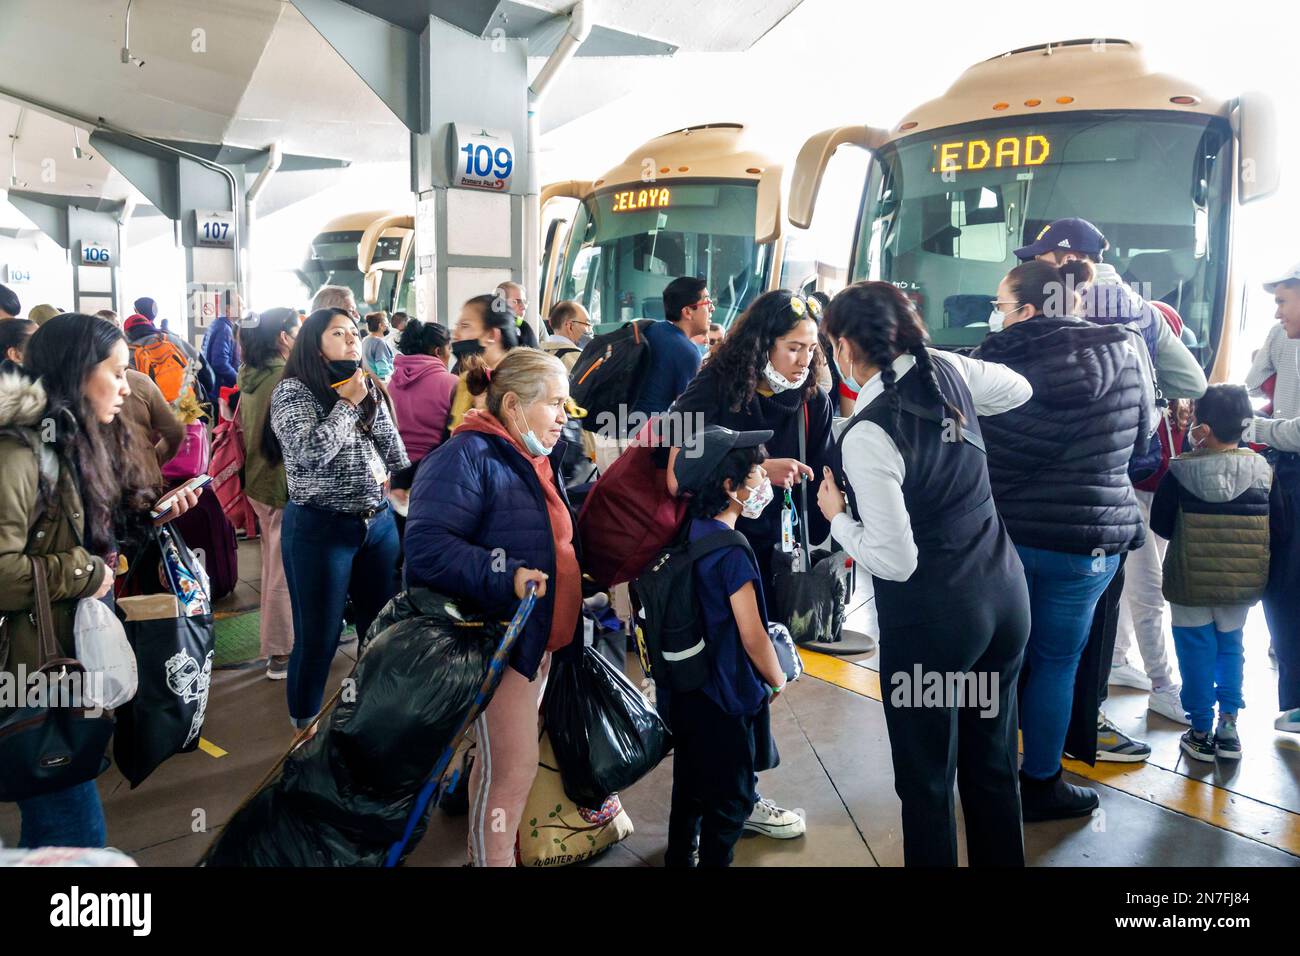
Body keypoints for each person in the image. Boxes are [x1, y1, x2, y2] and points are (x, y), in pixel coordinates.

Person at [817, 281, 1032, 866]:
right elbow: (1020, 388)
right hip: (1005, 600)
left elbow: (896, 559)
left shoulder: (869, 432)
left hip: (937, 622)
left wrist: (837, 519)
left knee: (927, 781)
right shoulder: (949, 372)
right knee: (990, 764)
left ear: (843, 346)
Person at [0, 313, 196, 848]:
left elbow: (82, 541)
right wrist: (88, 574)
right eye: (117, 371)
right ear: (76, 372)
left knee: (56, 817)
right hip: (33, 664)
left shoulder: (75, 441)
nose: (128, 385)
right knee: (72, 827)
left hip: (62, 652)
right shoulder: (20, 452)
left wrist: (153, 519)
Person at [1015, 217, 1207, 761]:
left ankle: (1029, 737)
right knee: (1090, 624)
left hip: (1036, 485)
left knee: (1032, 625)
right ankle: (1083, 727)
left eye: (1041, 256)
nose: (1033, 265)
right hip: (1109, 484)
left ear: (1065, 257)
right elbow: (1191, 383)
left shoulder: (1036, 307)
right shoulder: (1140, 311)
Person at [973, 259, 1149, 819]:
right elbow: (1144, 444)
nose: (995, 316)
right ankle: (1041, 785)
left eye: (1001, 306)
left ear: (1025, 309)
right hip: (1087, 543)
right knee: (1056, 663)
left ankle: (983, 779)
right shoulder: (1125, 353)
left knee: (993, 661)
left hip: (1003, 538)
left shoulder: (986, 363)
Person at [404, 348, 582, 866]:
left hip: (533, 640)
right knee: (512, 770)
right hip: (497, 640)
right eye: (555, 405)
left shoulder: (528, 456)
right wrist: (508, 575)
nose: (564, 419)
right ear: (513, 404)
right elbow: (429, 548)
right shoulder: (466, 457)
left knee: (500, 763)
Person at [265, 308, 409, 730]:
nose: (351, 340)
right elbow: (311, 451)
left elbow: (392, 448)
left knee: (379, 632)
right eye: (338, 333)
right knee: (319, 639)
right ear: (314, 342)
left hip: (377, 525)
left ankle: (370, 720)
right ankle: (304, 734)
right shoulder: (293, 392)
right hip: (320, 530)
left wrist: (413, 481)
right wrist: (348, 403)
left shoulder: (365, 384)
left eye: (353, 332)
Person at [667, 426, 789, 867]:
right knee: (732, 800)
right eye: (755, 474)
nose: (762, 483)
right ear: (728, 486)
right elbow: (753, 634)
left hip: (688, 688)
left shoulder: (691, 533)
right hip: (726, 694)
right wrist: (776, 678)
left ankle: (679, 857)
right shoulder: (732, 553)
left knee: (691, 784)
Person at [668, 290, 833, 589]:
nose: (804, 361)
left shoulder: (814, 401)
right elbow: (677, 477)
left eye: (811, 349)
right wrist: (761, 470)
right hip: (716, 548)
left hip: (782, 554)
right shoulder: (712, 387)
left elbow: (824, 483)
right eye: (794, 348)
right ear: (762, 344)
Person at [1150, 385, 1271, 762]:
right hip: (1241, 583)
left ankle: (1200, 731)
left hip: (1190, 582)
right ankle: (1229, 728)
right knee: (1231, 649)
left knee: (1195, 653)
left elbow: (1161, 525)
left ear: (1201, 427)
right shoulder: (1263, 471)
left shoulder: (1180, 470)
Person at [238, 307, 301, 681]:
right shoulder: (282, 376)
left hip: (259, 480)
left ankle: (277, 643)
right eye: (297, 329)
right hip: (280, 482)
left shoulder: (251, 375)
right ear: (283, 337)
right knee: (281, 571)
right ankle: (279, 652)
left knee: (271, 564)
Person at [387, 318, 457, 533]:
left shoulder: (392, 382)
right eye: (449, 349)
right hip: (435, 477)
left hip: (396, 478)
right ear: (438, 351)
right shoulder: (452, 383)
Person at [633, 277, 712, 422]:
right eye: (707, 302)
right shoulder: (687, 352)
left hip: (613, 428)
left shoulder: (648, 328)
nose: (712, 308)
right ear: (688, 312)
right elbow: (688, 412)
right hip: (645, 437)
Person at [447, 293, 519, 432]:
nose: (455, 334)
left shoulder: (521, 383)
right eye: (457, 326)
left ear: (492, 335)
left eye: (465, 326)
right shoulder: (467, 381)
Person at [1246, 263, 1300, 421]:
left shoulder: (1279, 332)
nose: (1277, 314)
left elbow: (1253, 387)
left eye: (1282, 302)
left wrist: (1251, 427)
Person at [200, 298, 242, 391]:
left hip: (212, 387)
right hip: (219, 390)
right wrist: (239, 380)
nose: (243, 307)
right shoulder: (225, 329)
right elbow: (219, 363)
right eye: (240, 305)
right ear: (228, 309)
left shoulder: (216, 324)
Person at [542, 300, 594, 369]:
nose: (591, 330)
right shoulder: (580, 360)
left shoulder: (538, 352)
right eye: (587, 324)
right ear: (570, 326)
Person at [494, 281, 538, 348]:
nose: (523, 307)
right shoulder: (490, 332)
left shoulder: (525, 328)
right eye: (516, 301)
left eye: (524, 302)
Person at [361, 311, 395, 382]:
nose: (388, 325)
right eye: (386, 323)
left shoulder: (364, 340)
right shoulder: (379, 342)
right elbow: (383, 370)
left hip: (368, 381)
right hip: (380, 383)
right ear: (380, 326)